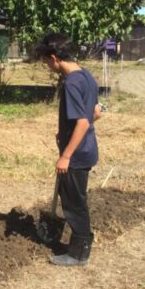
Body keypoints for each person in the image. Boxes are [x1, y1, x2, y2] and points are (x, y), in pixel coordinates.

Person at [36, 32, 99, 266]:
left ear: (54, 58)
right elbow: (95, 112)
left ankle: (78, 253)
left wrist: (65, 155)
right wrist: (65, 133)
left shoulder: (71, 83)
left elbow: (82, 122)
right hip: (88, 148)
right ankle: (80, 246)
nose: (48, 66)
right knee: (76, 199)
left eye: (46, 62)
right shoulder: (87, 76)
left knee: (74, 203)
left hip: (77, 154)